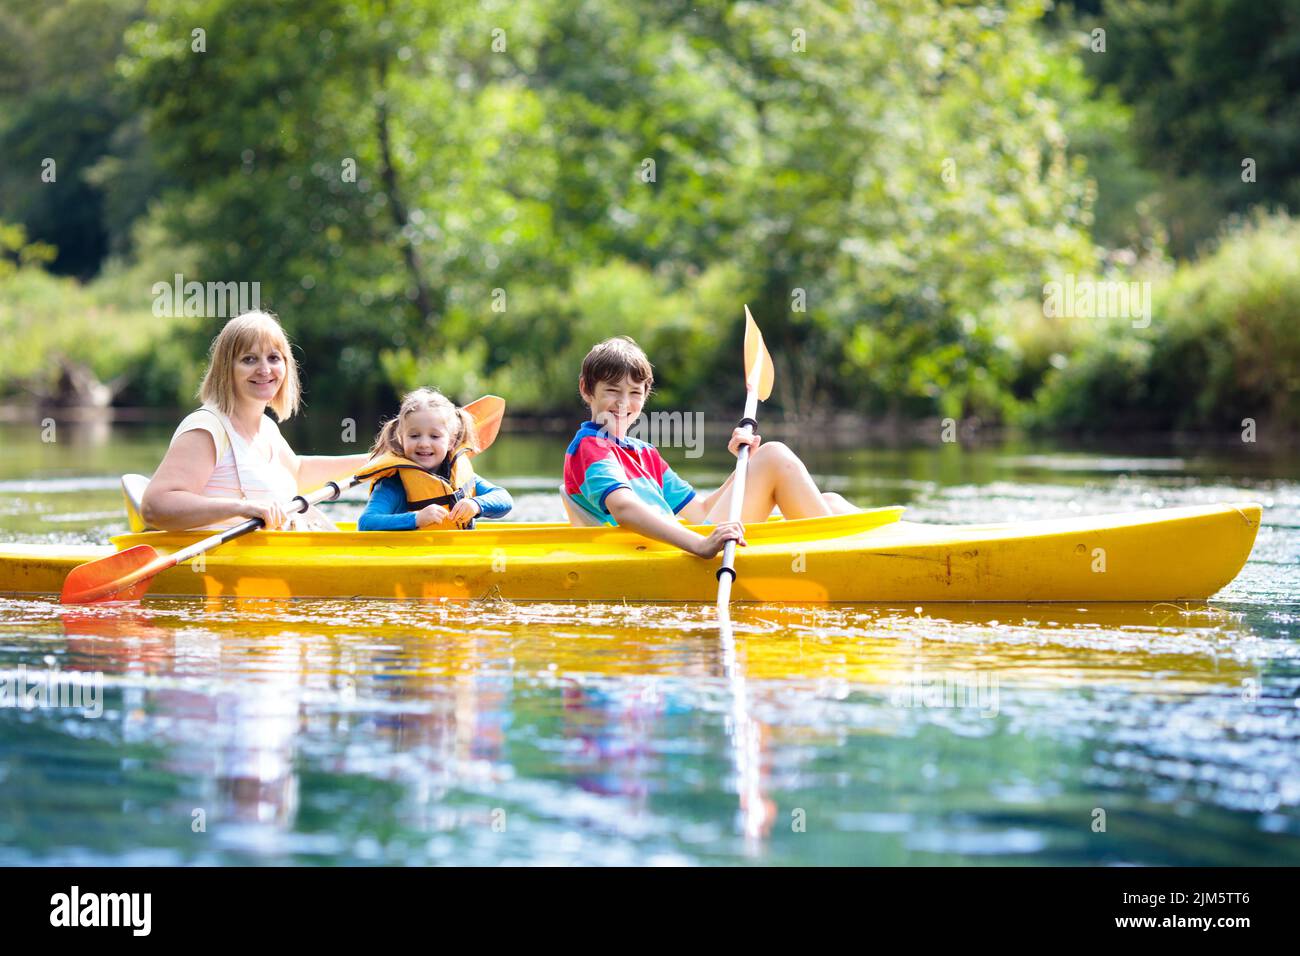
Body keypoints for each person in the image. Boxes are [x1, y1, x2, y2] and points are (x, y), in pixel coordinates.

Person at [562, 336, 856, 557]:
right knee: (775, 456)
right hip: (659, 553)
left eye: (634, 393)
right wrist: (699, 545)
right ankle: (840, 559)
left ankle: (877, 548)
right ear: (587, 390)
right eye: (612, 391)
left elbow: (700, 512)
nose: (623, 404)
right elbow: (624, 509)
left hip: (681, 542)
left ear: (646, 394)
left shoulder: (645, 453)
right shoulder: (592, 447)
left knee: (832, 502)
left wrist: (744, 466)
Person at [141, 311, 372, 531]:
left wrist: (376, 461)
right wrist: (243, 508)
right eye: (249, 359)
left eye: (273, 358)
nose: (264, 369)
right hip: (221, 562)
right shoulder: (207, 427)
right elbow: (155, 507)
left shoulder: (267, 428)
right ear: (226, 368)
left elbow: (298, 473)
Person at [358, 387, 512, 530]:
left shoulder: (457, 474)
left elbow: (504, 499)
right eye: (414, 435)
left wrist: (476, 504)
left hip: (457, 555)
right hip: (410, 555)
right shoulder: (393, 484)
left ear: (451, 441)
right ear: (401, 438)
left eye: (435, 436)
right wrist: (416, 518)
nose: (424, 443)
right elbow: (366, 523)